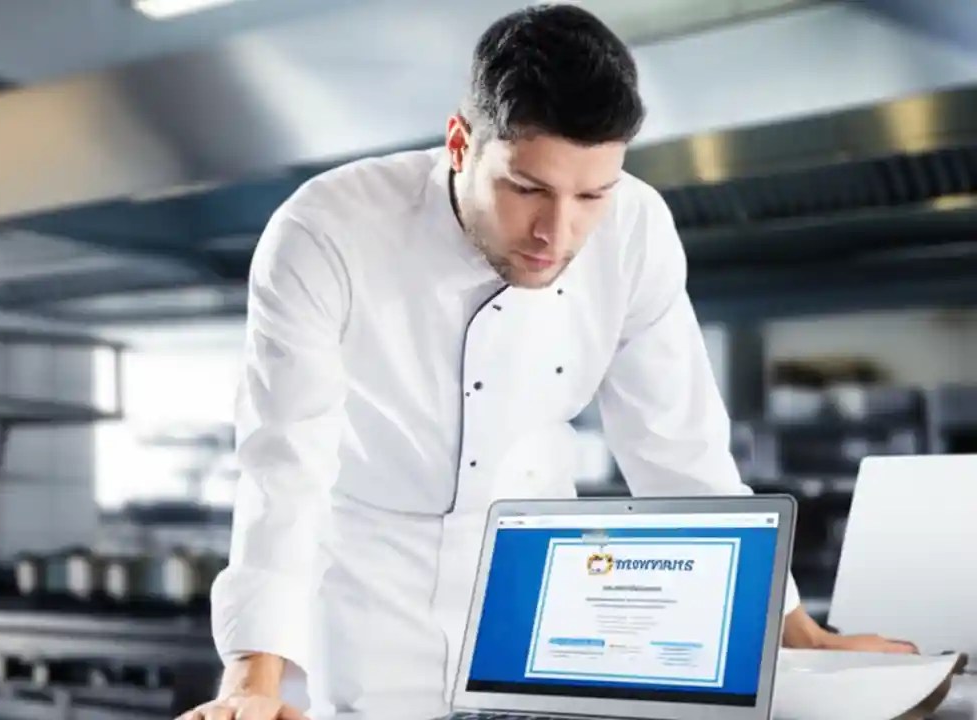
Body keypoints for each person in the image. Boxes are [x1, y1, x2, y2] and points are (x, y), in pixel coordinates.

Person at [178, 5, 916, 719]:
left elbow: (681, 456)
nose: (556, 234)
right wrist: (251, 677)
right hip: (373, 598)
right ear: (460, 143)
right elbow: (285, 464)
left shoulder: (636, 229)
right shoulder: (325, 230)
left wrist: (799, 634)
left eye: (592, 193)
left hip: (547, 598)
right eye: (527, 189)